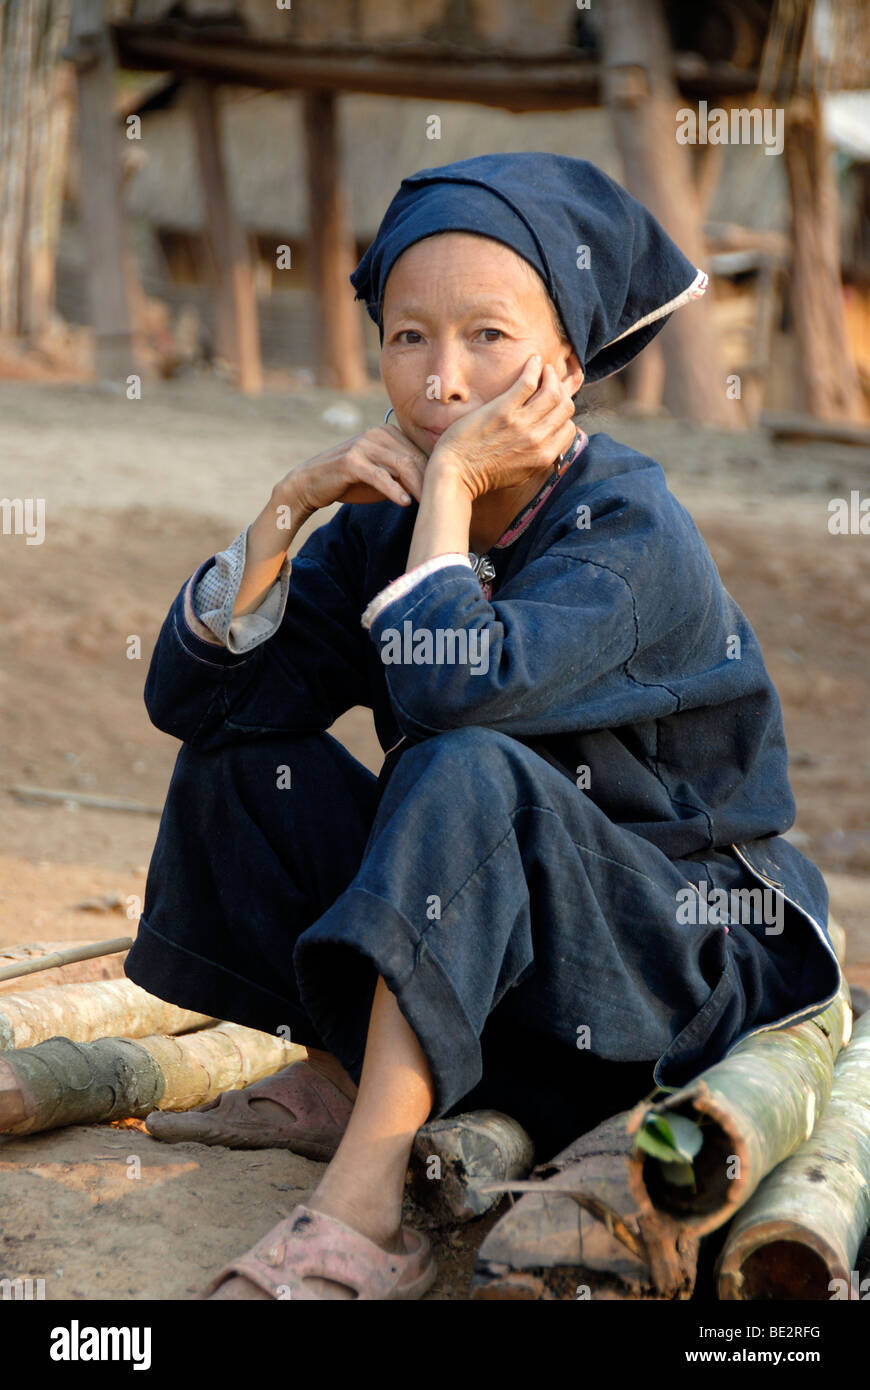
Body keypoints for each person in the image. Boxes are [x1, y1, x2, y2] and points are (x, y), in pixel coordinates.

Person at [125, 153, 841, 1301]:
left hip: (663, 963)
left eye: (488, 338)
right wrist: (283, 516)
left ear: (567, 361)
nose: (442, 380)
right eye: (409, 338)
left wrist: (451, 490)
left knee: (462, 765)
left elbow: (463, 688)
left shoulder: (630, 530)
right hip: (496, 970)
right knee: (245, 756)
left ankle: (364, 1212)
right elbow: (200, 702)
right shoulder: (383, 520)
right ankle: (340, 1072)